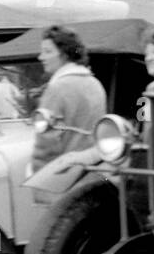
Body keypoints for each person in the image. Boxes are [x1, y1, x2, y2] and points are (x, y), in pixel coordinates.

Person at [29, 25, 106, 173]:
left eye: (47, 51)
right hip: (92, 171)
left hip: (62, 176)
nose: (41, 57)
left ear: (64, 54)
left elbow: (46, 144)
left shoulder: (57, 89)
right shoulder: (95, 84)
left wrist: (38, 176)